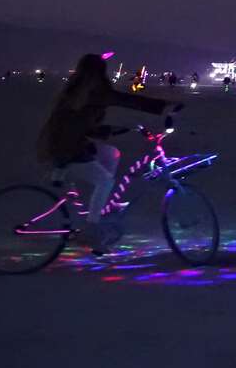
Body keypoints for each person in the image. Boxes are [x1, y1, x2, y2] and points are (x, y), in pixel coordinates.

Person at [37, 53, 181, 252]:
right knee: (105, 181)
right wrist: (165, 106)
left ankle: (103, 204)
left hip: (68, 143)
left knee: (111, 153)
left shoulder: (76, 90)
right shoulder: (92, 91)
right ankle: (91, 228)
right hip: (67, 149)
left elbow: (80, 124)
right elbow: (125, 100)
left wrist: (110, 129)